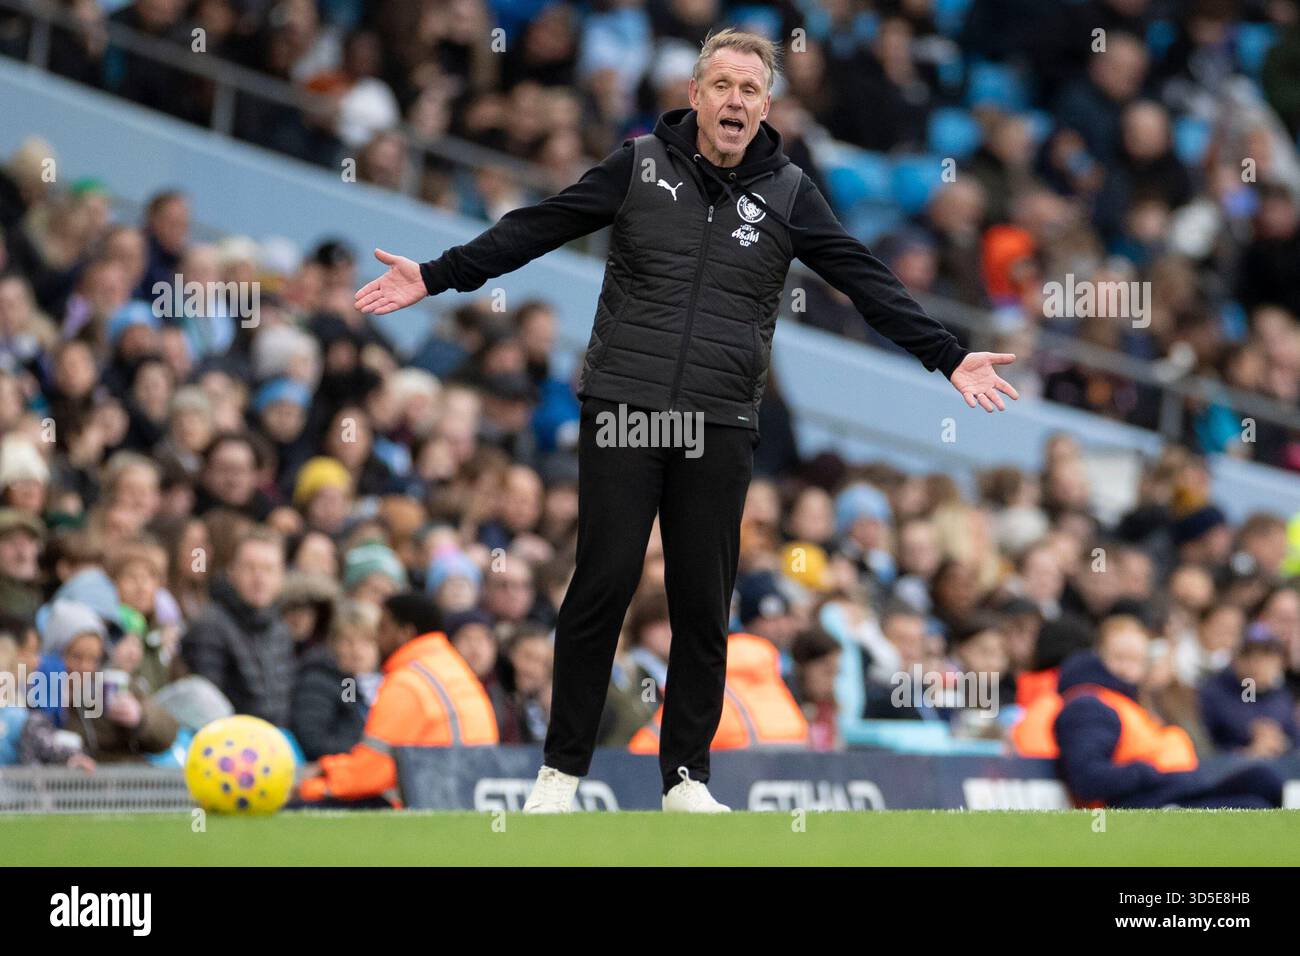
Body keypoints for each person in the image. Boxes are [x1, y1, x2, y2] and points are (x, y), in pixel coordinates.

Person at [354, 29, 1018, 812]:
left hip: (721, 419)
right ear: (695, 96)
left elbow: (866, 281)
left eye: (751, 89)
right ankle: (561, 773)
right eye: (723, 85)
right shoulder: (636, 167)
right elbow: (538, 226)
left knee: (705, 601)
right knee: (601, 584)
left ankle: (685, 780)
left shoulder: (791, 193)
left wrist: (948, 356)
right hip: (625, 407)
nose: (736, 101)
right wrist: (437, 274)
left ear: (767, 106)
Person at [1015, 615, 1283, 808]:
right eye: (1119, 657)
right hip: (1141, 808)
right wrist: (1149, 772)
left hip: (1175, 792)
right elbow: (1087, 779)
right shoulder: (1089, 704)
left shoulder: (1137, 704)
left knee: (1263, 780)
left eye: (1136, 660)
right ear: (1099, 656)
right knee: (1251, 805)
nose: (1126, 669)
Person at [295, 592, 497, 808]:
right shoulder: (454, 668)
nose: (376, 638)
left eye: (382, 628)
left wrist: (308, 785)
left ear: (404, 633)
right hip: (466, 798)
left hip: (433, 804)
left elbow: (372, 771)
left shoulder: (409, 682)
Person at [179, 527, 295, 726]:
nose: (259, 578)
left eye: (268, 569)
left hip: (275, 741)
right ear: (232, 571)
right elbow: (208, 709)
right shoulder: (208, 627)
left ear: (281, 575)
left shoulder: (280, 629)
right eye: (250, 568)